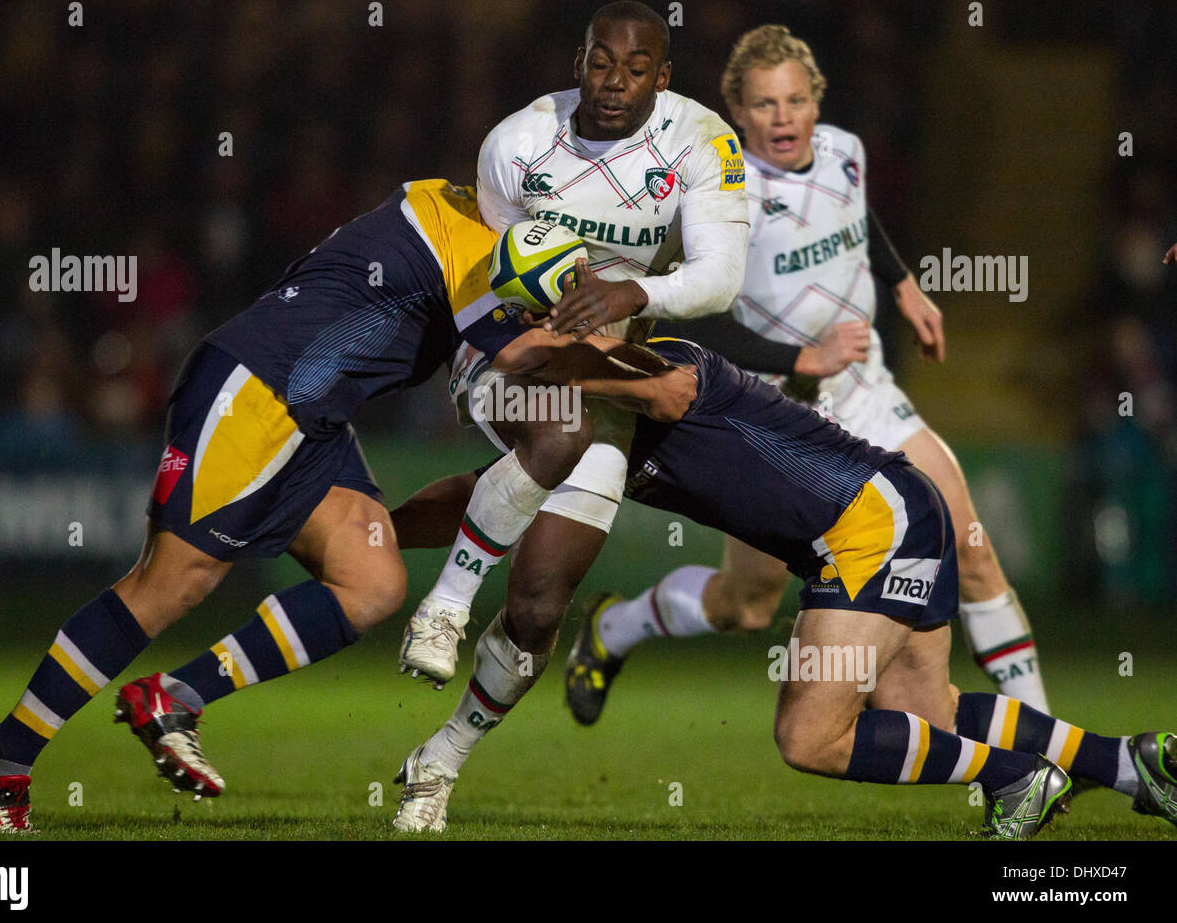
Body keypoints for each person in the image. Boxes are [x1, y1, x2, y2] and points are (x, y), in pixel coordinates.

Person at [0, 179, 687, 832]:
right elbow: (521, 356)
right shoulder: (469, 242)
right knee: (172, 581)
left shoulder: (452, 216)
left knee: (370, 584)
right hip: (257, 389)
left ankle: (175, 696)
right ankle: (2, 757)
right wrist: (644, 382)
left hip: (313, 418)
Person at [397, 335, 1177, 837]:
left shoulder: (646, 365)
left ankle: (1016, 777)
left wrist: (559, 360)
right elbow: (487, 494)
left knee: (810, 738)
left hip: (867, 527)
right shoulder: (577, 439)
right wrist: (382, 529)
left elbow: (672, 389)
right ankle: (1128, 763)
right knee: (925, 717)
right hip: (895, 511)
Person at [565, 24, 1051, 730]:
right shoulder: (721, 197)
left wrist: (905, 285)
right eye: (764, 104)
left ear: (815, 105)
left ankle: (1042, 744)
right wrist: (800, 360)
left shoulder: (847, 153)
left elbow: (857, 215)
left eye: (794, 100)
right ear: (737, 112)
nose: (782, 116)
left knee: (972, 553)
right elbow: (692, 318)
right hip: (778, 422)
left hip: (871, 401)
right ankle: (617, 628)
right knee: (748, 604)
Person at [389, 0, 751, 826]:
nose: (614, 84)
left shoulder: (701, 143)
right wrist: (535, 333)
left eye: (635, 69)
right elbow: (489, 278)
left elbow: (720, 278)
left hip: (608, 370)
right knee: (555, 428)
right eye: (599, 63)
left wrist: (634, 292)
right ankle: (442, 606)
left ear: (663, 76)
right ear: (579, 59)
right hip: (508, 352)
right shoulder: (518, 143)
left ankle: (438, 761)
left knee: (540, 607)